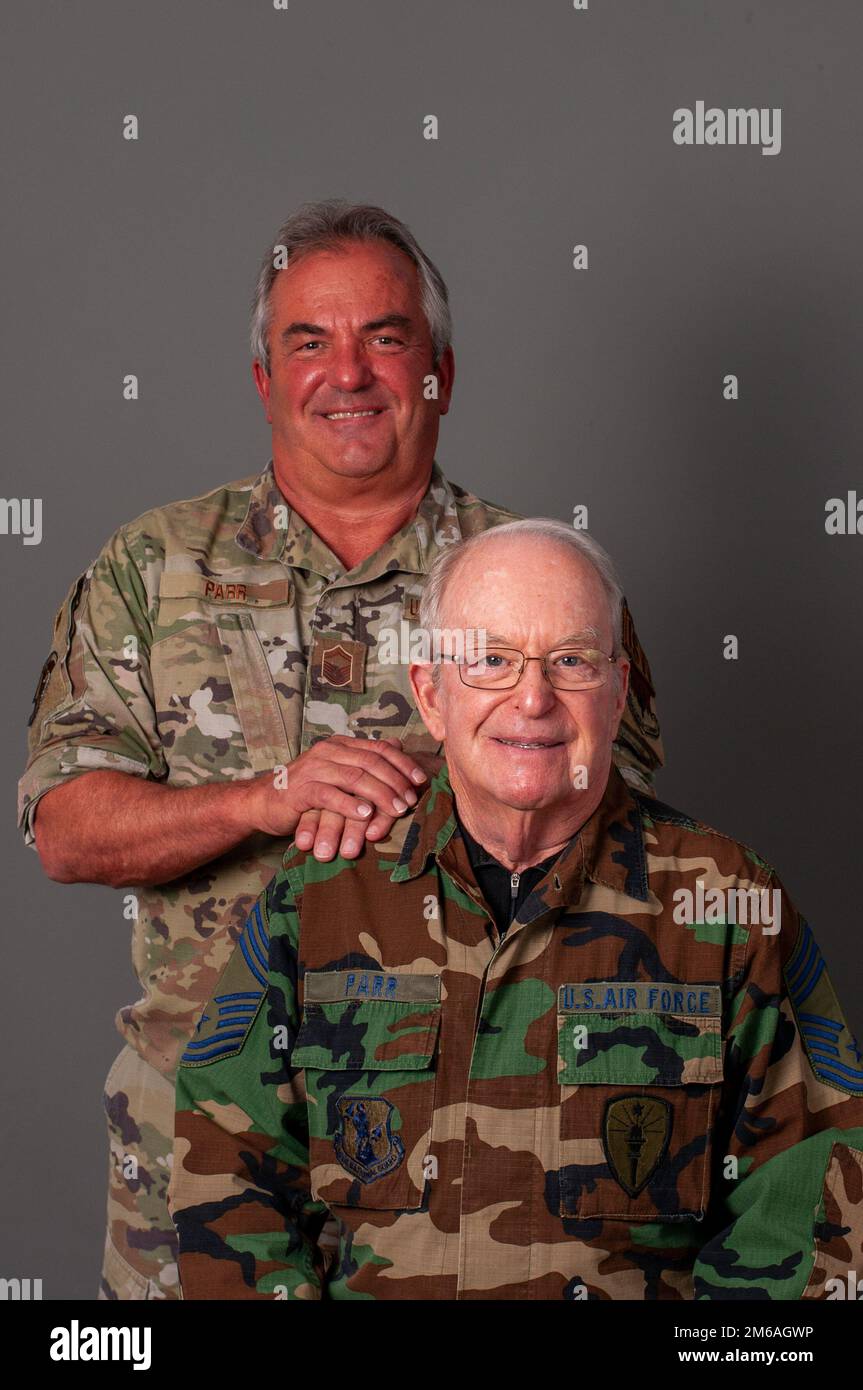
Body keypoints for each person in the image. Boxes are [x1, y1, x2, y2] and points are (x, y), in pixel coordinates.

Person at [17, 201, 665, 1299]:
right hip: (195, 1158)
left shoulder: (540, 575)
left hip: (471, 1167)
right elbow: (63, 828)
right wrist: (262, 800)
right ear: (264, 380)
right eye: (307, 342)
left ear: (439, 374)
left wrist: (422, 803)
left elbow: (626, 824)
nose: (348, 372)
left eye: (385, 337)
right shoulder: (150, 568)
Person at [170, 518, 863, 1300]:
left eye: (570, 661)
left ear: (616, 689)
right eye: (490, 661)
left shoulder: (730, 905)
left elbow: (803, 1215)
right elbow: (226, 1172)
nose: (531, 699)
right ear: (430, 695)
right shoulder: (324, 895)